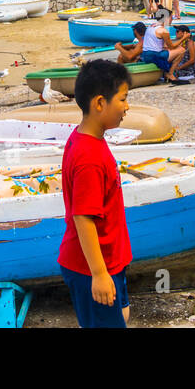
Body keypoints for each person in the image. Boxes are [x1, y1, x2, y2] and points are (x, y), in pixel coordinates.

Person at [59, 59, 133, 328]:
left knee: (121, 315)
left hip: (109, 260)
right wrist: (99, 274)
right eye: (123, 99)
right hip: (91, 266)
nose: (127, 107)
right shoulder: (88, 157)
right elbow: (83, 218)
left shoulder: (88, 138)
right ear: (100, 103)